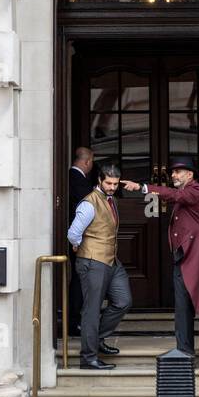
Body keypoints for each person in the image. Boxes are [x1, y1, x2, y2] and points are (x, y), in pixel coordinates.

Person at [122, 157, 199, 374]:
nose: (173, 175)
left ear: (190, 175)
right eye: (173, 172)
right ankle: (184, 353)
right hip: (182, 257)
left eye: (178, 172)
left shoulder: (196, 190)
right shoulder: (186, 194)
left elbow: (174, 196)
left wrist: (143, 187)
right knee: (183, 308)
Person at [67, 161, 132, 371]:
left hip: (111, 260)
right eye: (109, 183)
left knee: (123, 301)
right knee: (91, 311)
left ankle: (98, 339)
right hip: (93, 261)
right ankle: (88, 358)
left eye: (115, 184)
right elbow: (72, 233)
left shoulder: (110, 199)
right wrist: (78, 246)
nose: (113, 187)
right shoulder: (89, 203)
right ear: (100, 180)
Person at [67, 146, 95, 335]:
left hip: (80, 240)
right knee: (80, 281)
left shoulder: (75, 178)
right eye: (91, 161)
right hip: (80, 240)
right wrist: (76, 241)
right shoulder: (77, 179)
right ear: (86, 161)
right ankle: (75, 321)